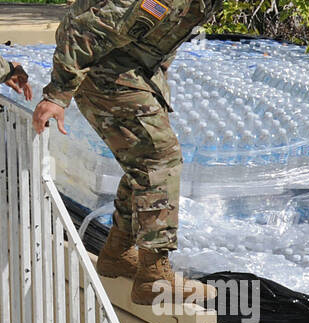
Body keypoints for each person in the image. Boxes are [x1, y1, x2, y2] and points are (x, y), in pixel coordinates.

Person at [33, 0, 220, 306]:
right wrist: (57, 94)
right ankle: (153, 275)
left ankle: (118, 252)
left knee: (146, 160)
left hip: (131, 71)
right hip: (102, 71)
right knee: (159, 157)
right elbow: (82, 27)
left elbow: (165, 32)